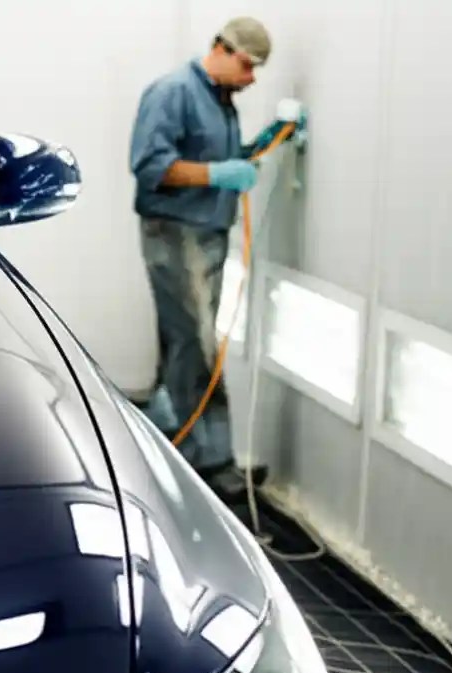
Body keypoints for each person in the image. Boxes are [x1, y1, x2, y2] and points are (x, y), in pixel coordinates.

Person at [128, 17, 303, 496]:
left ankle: (163, 446)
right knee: (197, 344)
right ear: (221, 49)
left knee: (184, 345)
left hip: (208, 234)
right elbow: (149, 167)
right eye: (248, 66)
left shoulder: (222, 104)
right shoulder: (173, 93)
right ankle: (214, 464)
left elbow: (231, 162)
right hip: (175, 232)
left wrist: (276, 135)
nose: (251, 79)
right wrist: (217, 175)